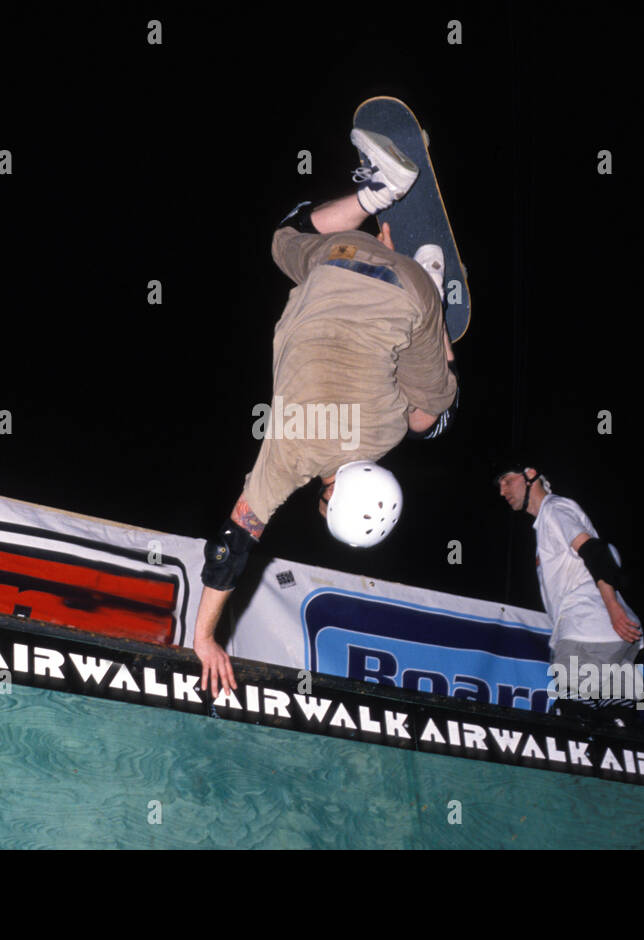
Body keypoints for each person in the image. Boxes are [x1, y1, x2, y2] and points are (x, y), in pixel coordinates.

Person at [194, 125, 461, 695]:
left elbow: (420, 414)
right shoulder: (290, 455)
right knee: (281, 236)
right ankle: (378, 204)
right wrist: (204, 638)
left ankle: (417, 261)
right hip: (339, 260)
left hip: (402, 286)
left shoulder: (387, 435)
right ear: (331, 496)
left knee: (428, 418)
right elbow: (230, 544)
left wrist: (434, 355)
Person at [496, 464, 644, 723]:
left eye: (507, 481)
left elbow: (595, 551)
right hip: (615, 636)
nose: (502, 490)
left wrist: (612, 607)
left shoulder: (554, 509)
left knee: (574, 717)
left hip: (588, 628)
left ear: (530, 475)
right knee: (618, 718)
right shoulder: (549, 520)